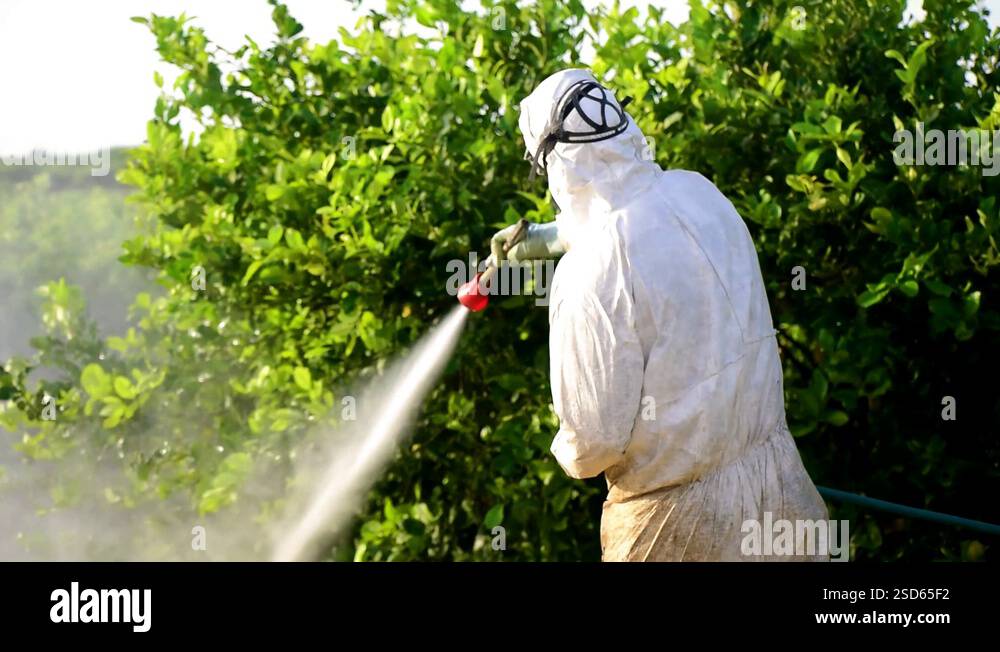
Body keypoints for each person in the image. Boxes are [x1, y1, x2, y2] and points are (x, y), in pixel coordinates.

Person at [491, 68, 829, 561]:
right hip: (779, 488)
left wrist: (564, 448)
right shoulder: (700, 193)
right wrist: (549, 236)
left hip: (678, 528)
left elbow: (594, 441)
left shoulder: (586, 276)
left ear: (556, 163)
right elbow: (635, 210)